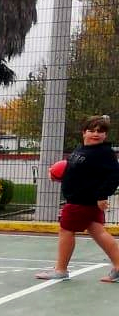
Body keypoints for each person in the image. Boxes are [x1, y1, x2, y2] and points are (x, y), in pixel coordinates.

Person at [36, 115, 119, 282]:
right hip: (83, 200)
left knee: (66, 231)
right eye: (92, 130)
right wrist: (58, 175)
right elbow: (75, 170)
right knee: (98, 232)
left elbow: (114, 176)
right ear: (84, 132)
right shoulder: (81, 149)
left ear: (105, 135)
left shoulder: (104, 153)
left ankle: (60, 270)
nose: (96, 134)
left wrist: (103, 195)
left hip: (82, 200)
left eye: (101, 131)